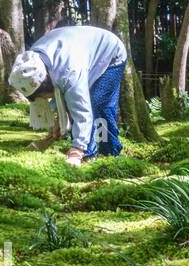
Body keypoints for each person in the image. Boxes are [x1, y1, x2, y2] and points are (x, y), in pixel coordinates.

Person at [8, 24, 127, 167]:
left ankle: (110, 153)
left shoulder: (69, 72)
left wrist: (76, 151)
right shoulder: (31, 61)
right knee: (75, 106)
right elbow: (61, 96)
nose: (46, 100)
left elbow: (81, 111)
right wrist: (59, 120)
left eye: (44, 96)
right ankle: (89, 153)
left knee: (98, 104)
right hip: (79, 56)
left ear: (46, 83)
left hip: (110, 54)